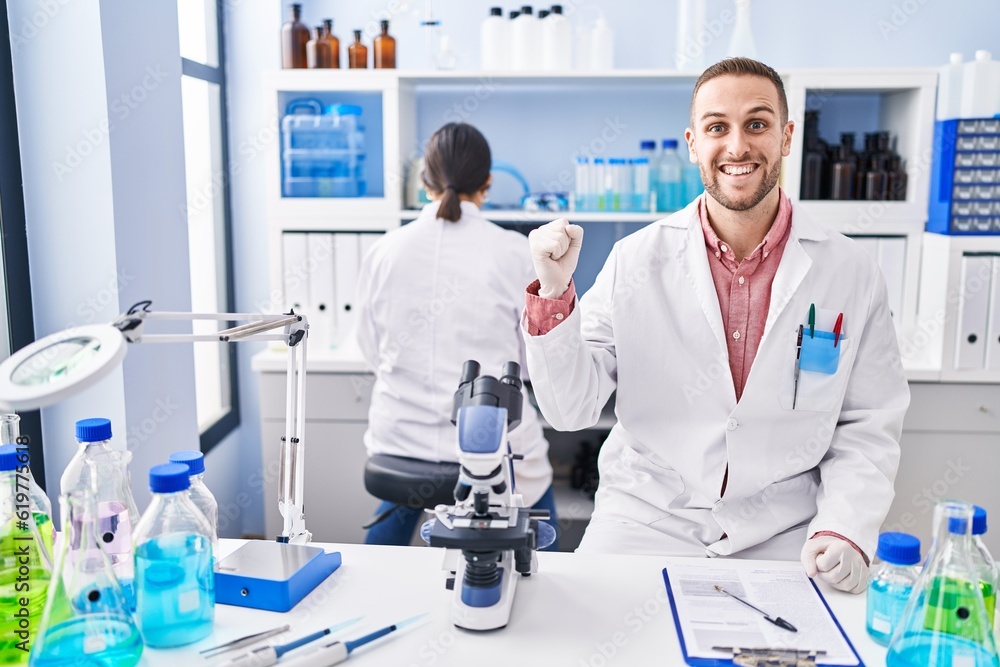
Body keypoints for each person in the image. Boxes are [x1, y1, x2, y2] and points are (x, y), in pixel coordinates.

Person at [521, 57, 909, 593]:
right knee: (591, 627)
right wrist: (553, 294)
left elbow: (868, 422)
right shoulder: (635, 260)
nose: (737, 146)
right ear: (692, 143)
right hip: (646, 519)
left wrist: (844, 527)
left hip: (784, 532)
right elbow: (570, 409)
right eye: (717, 127)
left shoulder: (850, 270)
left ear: (786, 136)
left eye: (757, 123)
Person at [357, 122, 558, 548]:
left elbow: (370, 349)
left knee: (389, 533)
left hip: (401, 442)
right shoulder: (513, 252)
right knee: (545, 536)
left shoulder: (384, 250)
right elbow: (534, 363)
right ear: (487, 184)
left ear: (424, 181)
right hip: (493, 445)